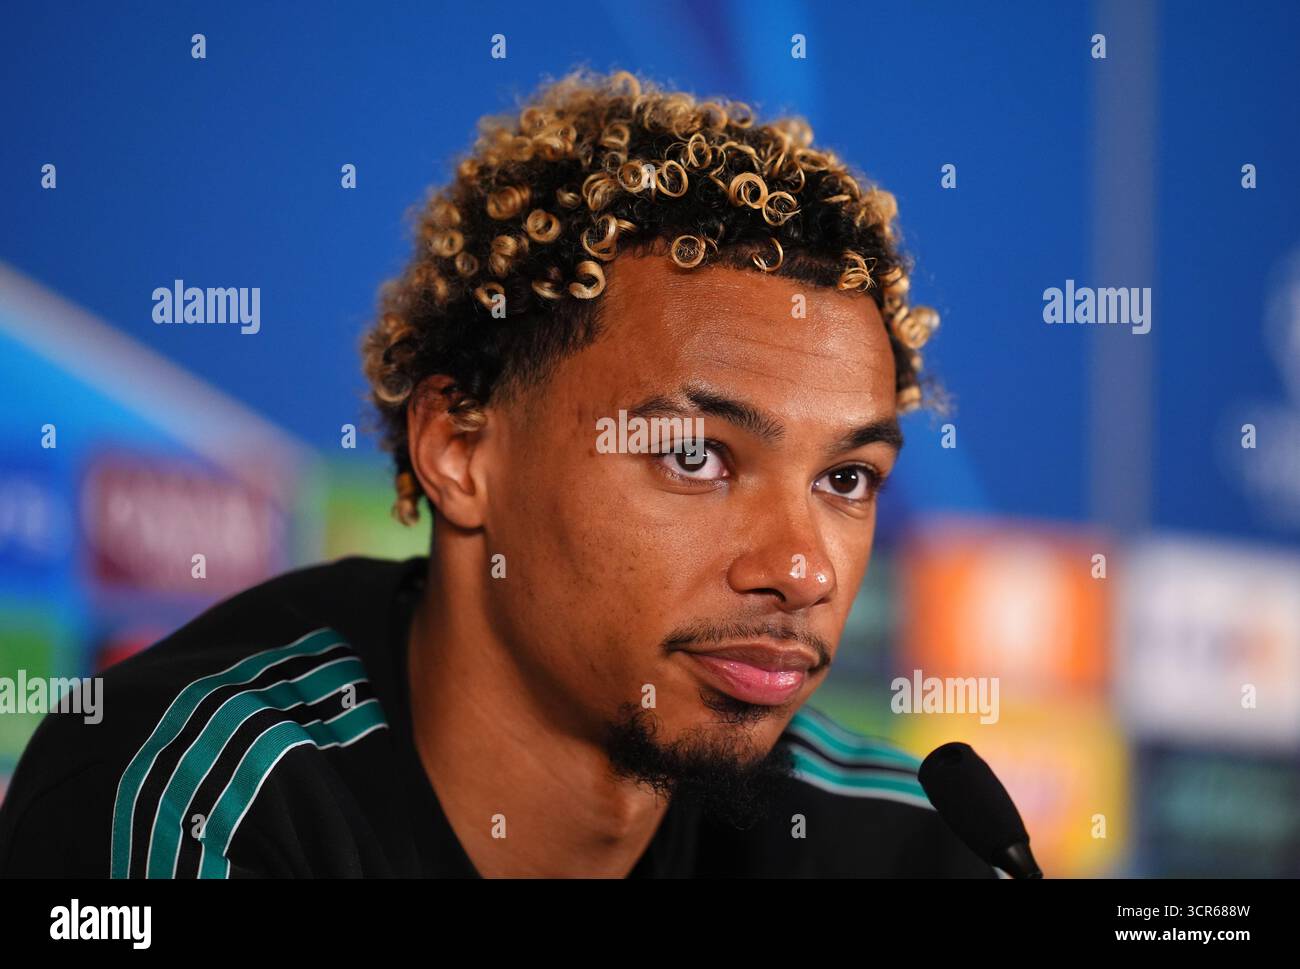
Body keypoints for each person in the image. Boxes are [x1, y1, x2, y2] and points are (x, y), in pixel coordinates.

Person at [0, 69, 991, 878]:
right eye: (696, 456)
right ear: (460, 450)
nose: (804, 572)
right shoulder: (204, 807)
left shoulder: (900, 844)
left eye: (847, 480)